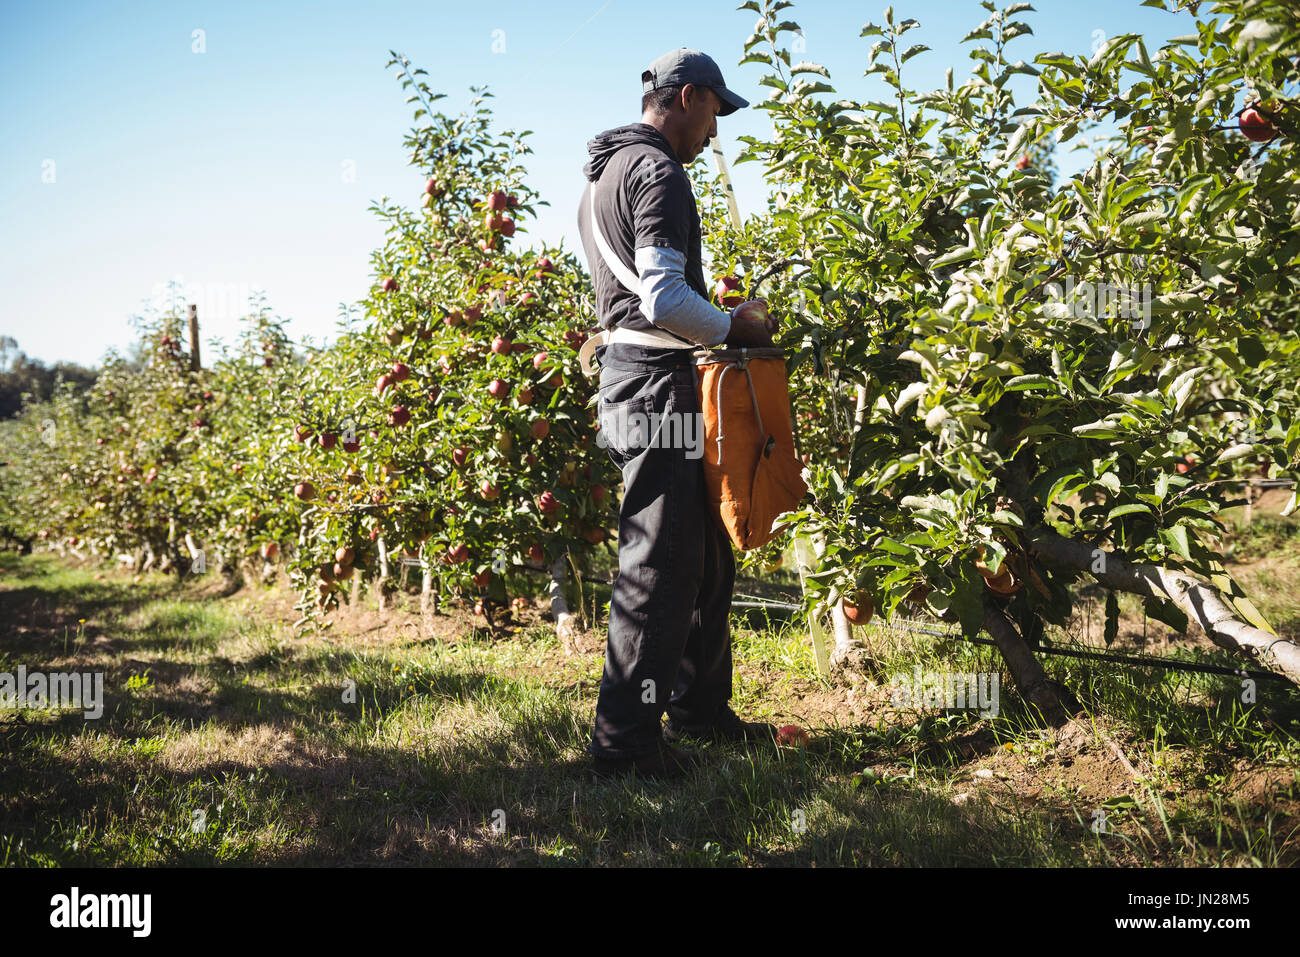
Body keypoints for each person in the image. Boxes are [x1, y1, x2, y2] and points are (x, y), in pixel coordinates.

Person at [577, 48, 780, 780]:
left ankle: (699, 709)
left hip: (638, 378)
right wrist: (737, 325)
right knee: (660, 562)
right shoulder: (658, 171)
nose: (714, 133)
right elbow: (664, 299)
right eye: (713, 113)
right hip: (656, 383)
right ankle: (625, 744)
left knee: (704, 554)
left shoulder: (607, 172)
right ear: (687, 96)